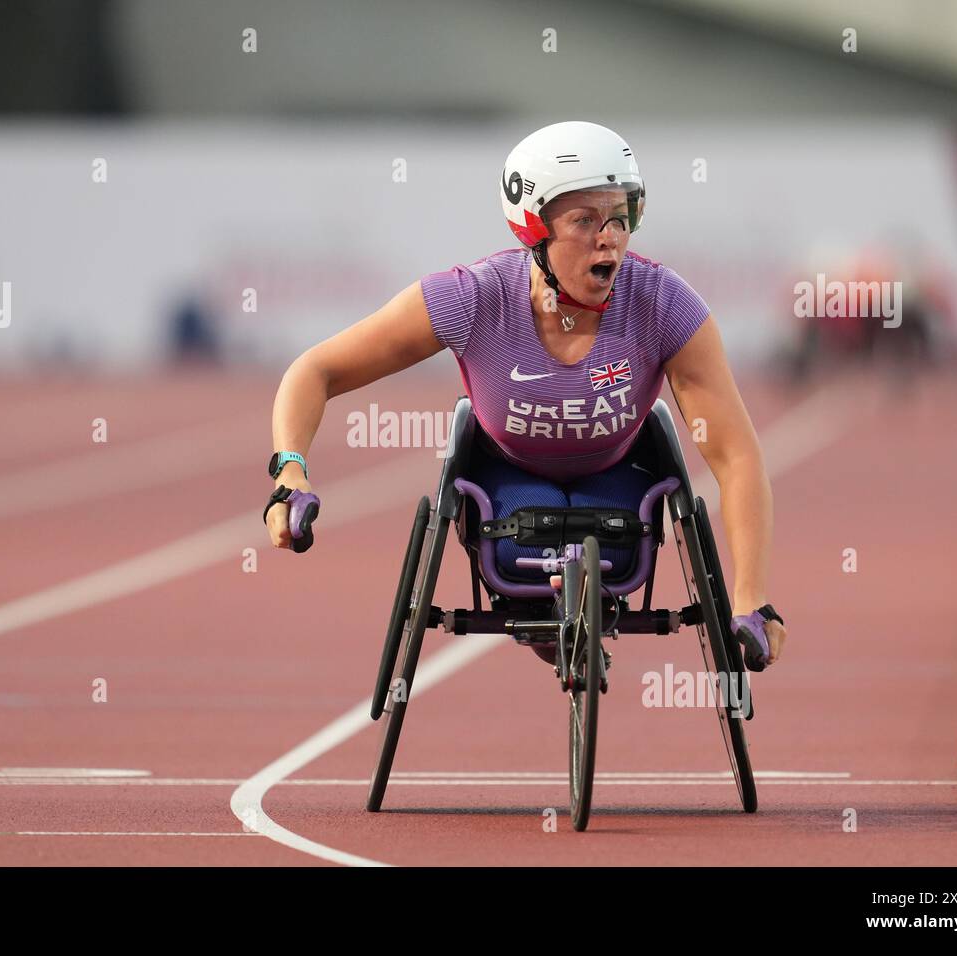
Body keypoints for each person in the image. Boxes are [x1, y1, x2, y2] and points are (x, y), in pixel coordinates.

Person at [264, 121, 786, 669]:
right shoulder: (472, 298)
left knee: (614, 558)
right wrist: (290, 472)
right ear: (534, 230)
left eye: (621, 217)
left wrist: (752, 597)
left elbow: (736, 456)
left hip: (618, 471)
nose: (608, 237)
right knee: (519, 558)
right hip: (505, 475)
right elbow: (315, 370)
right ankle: (545, 625)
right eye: (584, 220)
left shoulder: (665, 306)